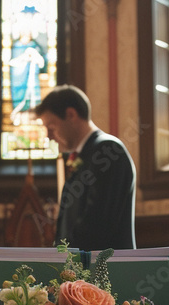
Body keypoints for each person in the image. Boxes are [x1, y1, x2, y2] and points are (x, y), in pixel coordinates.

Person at [35, 85, 136, 250]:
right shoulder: (85, 154)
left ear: (71, 115)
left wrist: (65, 255)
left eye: (51, 127)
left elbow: (99, 223)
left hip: (104, 263)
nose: (48, 136)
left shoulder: (108, 151)